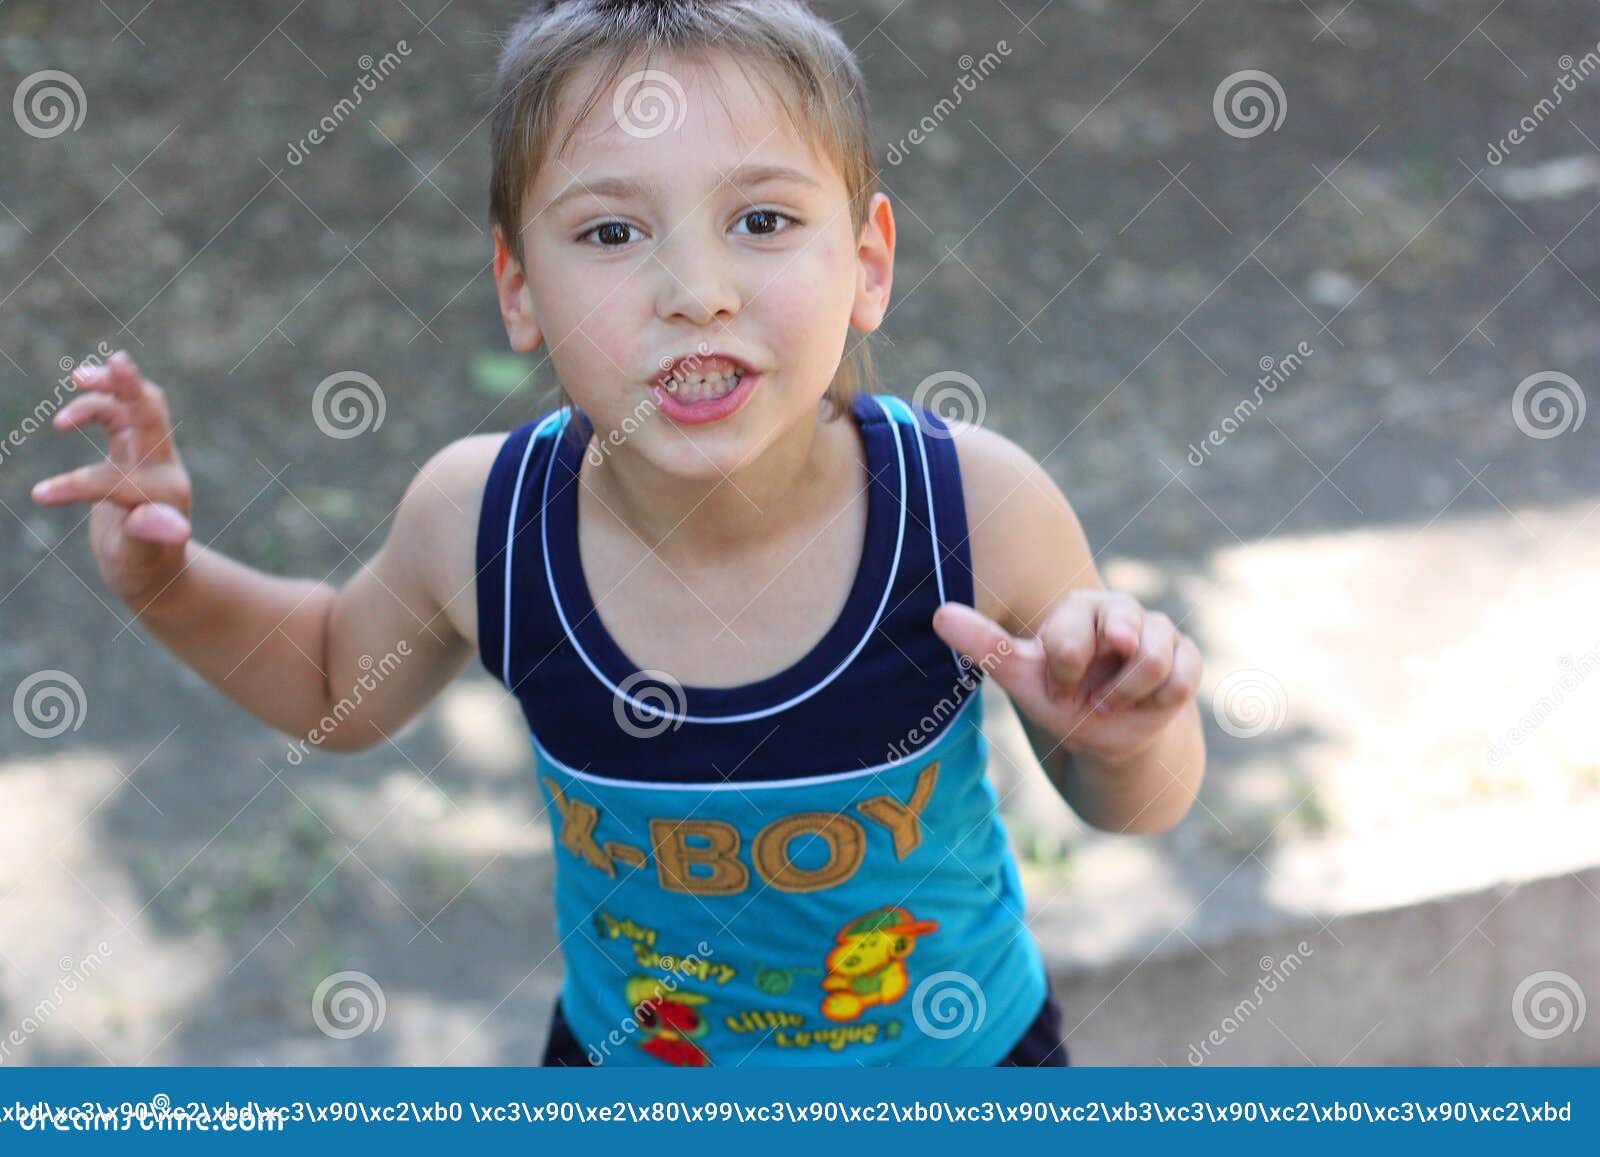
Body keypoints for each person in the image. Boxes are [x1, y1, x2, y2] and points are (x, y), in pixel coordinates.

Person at [30, 0, 1205, 1067]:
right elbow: (342, 680)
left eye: (760, 218)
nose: (695, 288)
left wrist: (1121, 737)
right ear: (517, 288)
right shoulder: (482, 520)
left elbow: (1133, 802)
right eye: (608, 234)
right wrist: (169, 580)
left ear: (866, 262)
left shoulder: (973, 511)